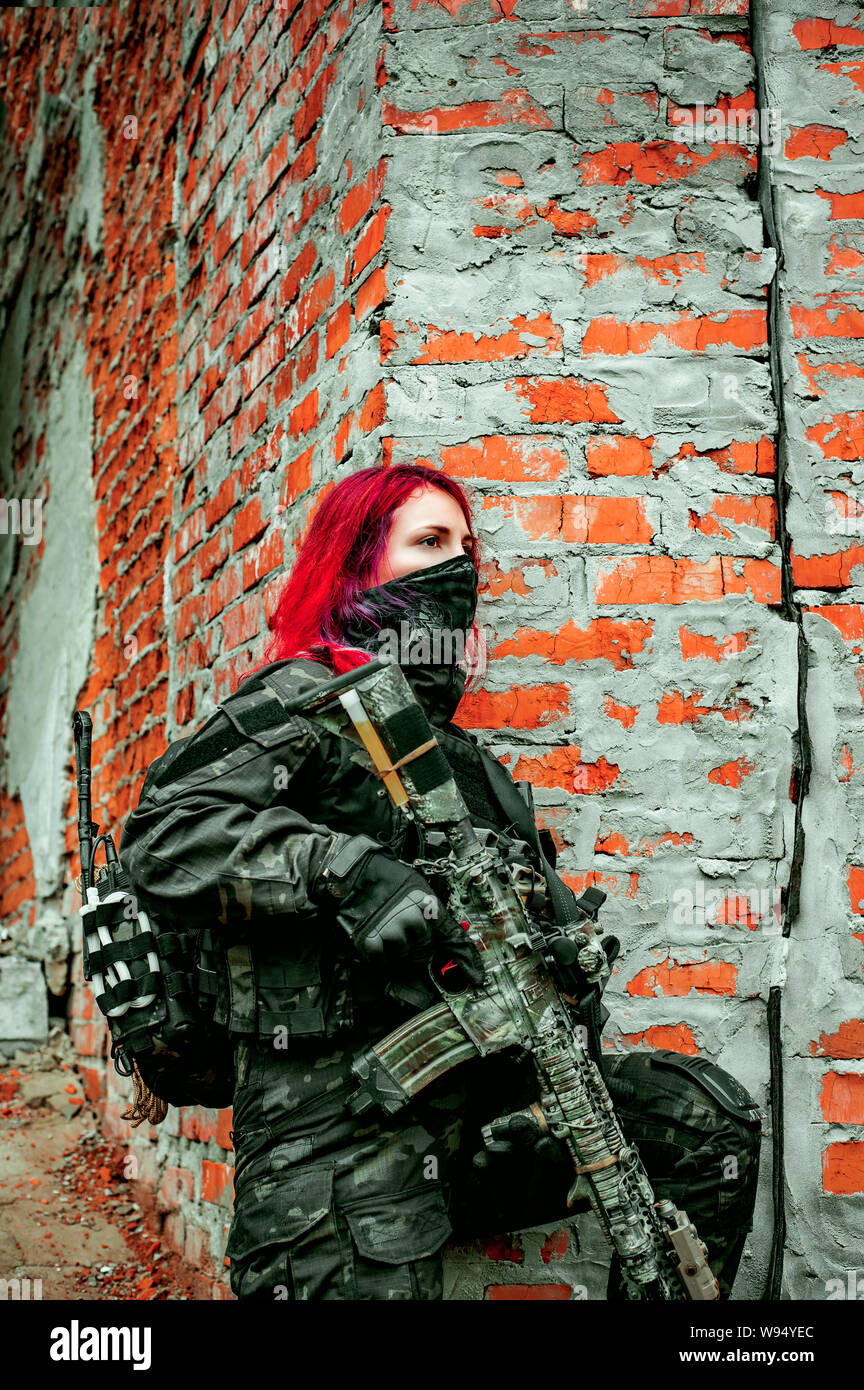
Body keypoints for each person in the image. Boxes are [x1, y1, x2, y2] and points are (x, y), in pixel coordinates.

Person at [120, 463, 762, 1301]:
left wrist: (545, 1075)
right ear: (356, 566)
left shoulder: (465, 765)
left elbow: (536, 959)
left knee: (698, 1121)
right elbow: (166, 832)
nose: (457, 567)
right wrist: (343, 872)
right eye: (428, 543)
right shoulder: (302, 702)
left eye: (467, 548)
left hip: (482, 1122)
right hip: (336, 1129)